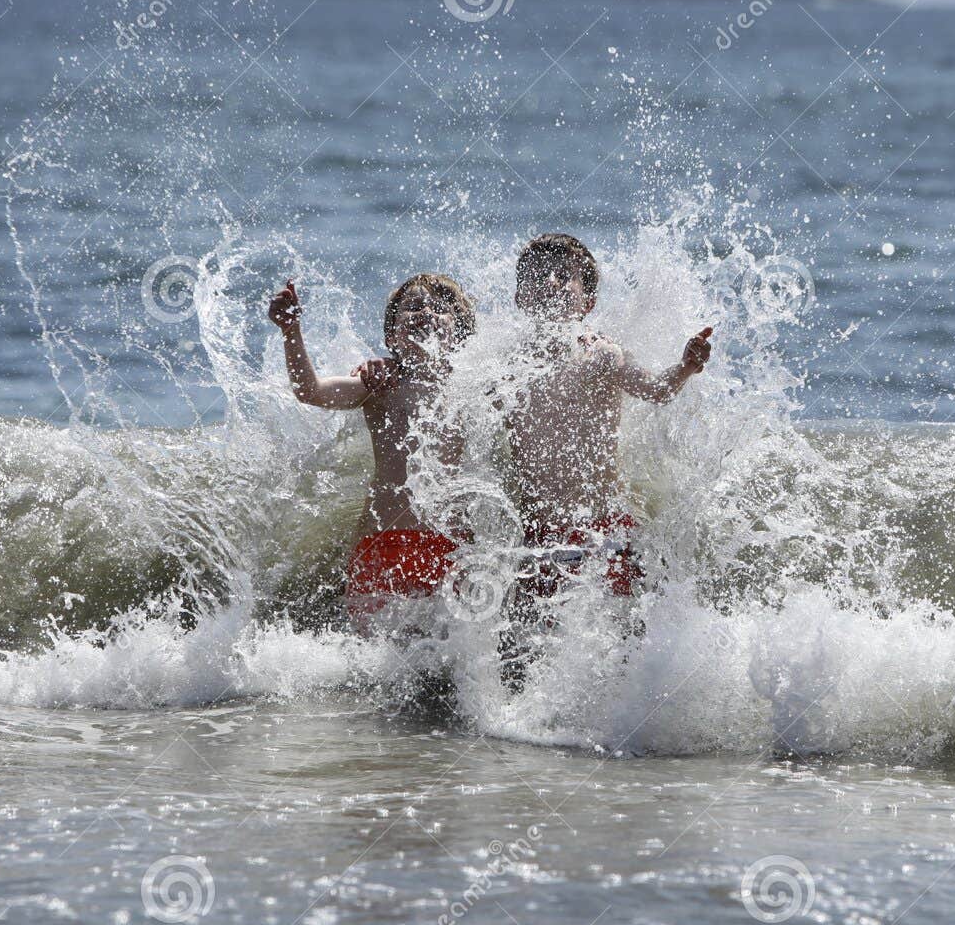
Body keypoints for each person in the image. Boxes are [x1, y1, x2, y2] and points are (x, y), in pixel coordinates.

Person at [500, 233, 712, 686]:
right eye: (539, 275)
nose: (552, 281)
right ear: (520, 296)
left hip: (601, 527)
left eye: (566, 276)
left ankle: (625, 727)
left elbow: (657, 391)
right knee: (528, 654)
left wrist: (687, 367)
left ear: (588, 300)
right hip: (537, 531)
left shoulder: (603, 355)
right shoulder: (504, 366)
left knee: (620, 645)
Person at [267, 272, 476, 623]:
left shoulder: (472, 386)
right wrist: (291, 333)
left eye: (439, 308)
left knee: (448, 664)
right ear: (392, 334)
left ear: (462, 333)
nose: (425, 312)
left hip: (451, 550)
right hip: (383, 545)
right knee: (374, 666)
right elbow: (311, 391)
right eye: (412, 307)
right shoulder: (381, 384)